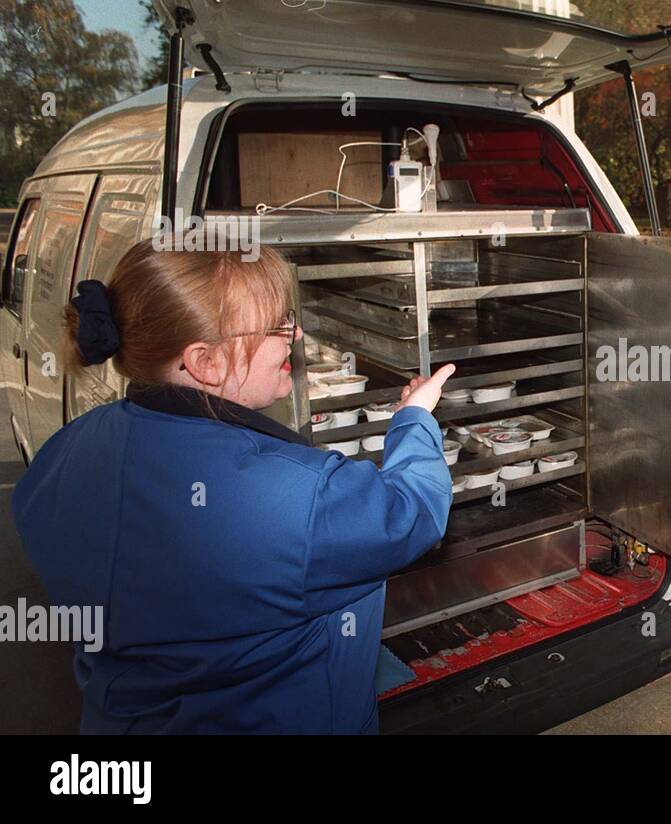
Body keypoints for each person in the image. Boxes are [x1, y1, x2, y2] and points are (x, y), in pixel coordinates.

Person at [12, 239, 457, 733]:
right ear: (206, 362)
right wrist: (413, 420)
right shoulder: (289, 497)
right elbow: (412, 513)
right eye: (278, 325)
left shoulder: (65, 451)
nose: (295, 334)